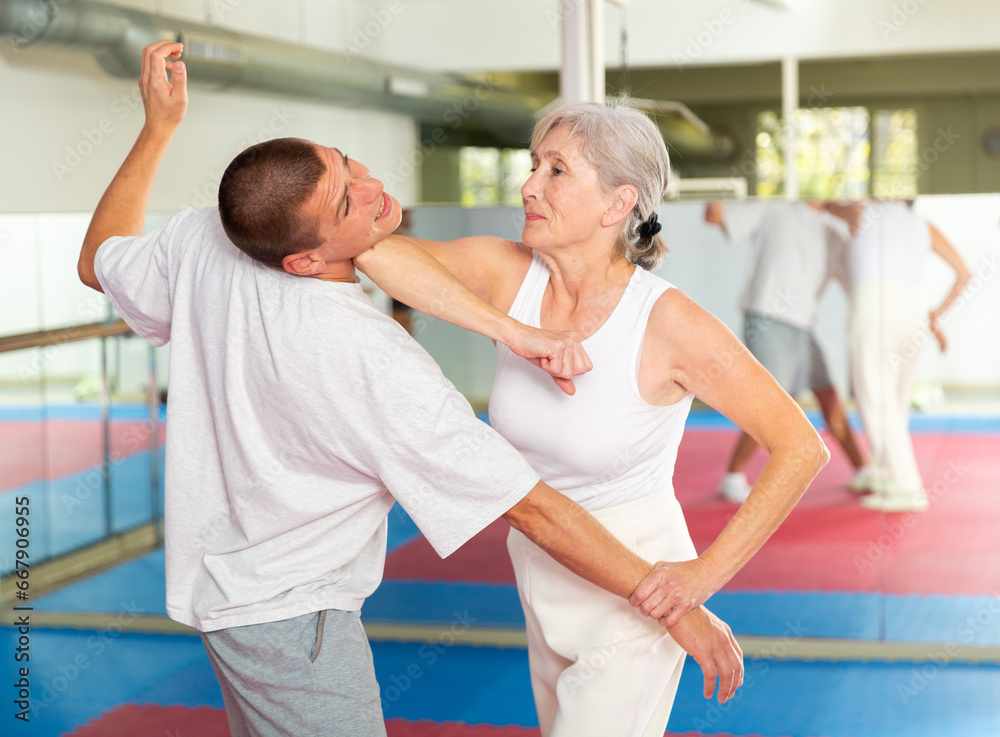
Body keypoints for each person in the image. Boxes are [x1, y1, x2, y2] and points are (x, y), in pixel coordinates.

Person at [76, 43, 743, 737]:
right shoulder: (378, 365)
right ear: (306, 259)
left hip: (224, 601)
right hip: (299, 621)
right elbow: (536, 510)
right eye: (347, 200)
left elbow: (98, 260)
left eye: (348, 163)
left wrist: (157, 129)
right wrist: (679, 604)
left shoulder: (208, 237)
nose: (373, 189)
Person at [354, 100, 830, 737]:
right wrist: (513, 331)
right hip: (543, 566)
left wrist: (701, 577)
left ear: (616, 205)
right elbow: (374, 255)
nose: (529, 185)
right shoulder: (510, 276)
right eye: (533, 166)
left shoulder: (666, 322)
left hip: (638, 592)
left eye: (556, 171)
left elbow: (801, 446)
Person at [704, 199, 869, 503]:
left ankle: (863, 469)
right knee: (772, 403)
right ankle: (733, 476)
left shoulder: (832, 234)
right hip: (768, 317)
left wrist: (845, 214)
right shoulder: (775, 206)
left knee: (829, 396)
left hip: (803, 326)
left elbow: (861, 272)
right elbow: (714, 215)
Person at [827, 200, 971, 512]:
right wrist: (934, 316)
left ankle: (907, 487)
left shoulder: (860, 210)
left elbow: (820, 204)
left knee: (877, 400)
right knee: (897, 400)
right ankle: (883, 473)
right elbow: (964, 274)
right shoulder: (922, 225)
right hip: (913, 310)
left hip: (873, 307)